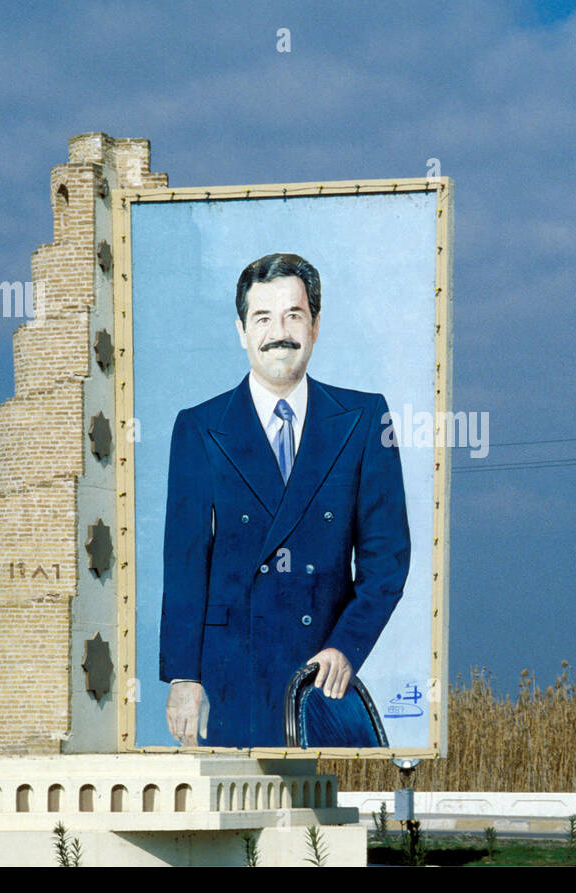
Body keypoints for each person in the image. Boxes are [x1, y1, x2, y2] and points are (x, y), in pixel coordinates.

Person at [158, 253, 410, 747]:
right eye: (263, 318)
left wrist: (345, 646)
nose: (280, 331)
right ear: (241, 330)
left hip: (319, 683)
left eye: (294, 315)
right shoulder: (199, 428)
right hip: (228, 683)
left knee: (322, 820)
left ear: (315, 326)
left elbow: (388, 560)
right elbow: (184, 565)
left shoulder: (365, 419)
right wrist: (184, 678)